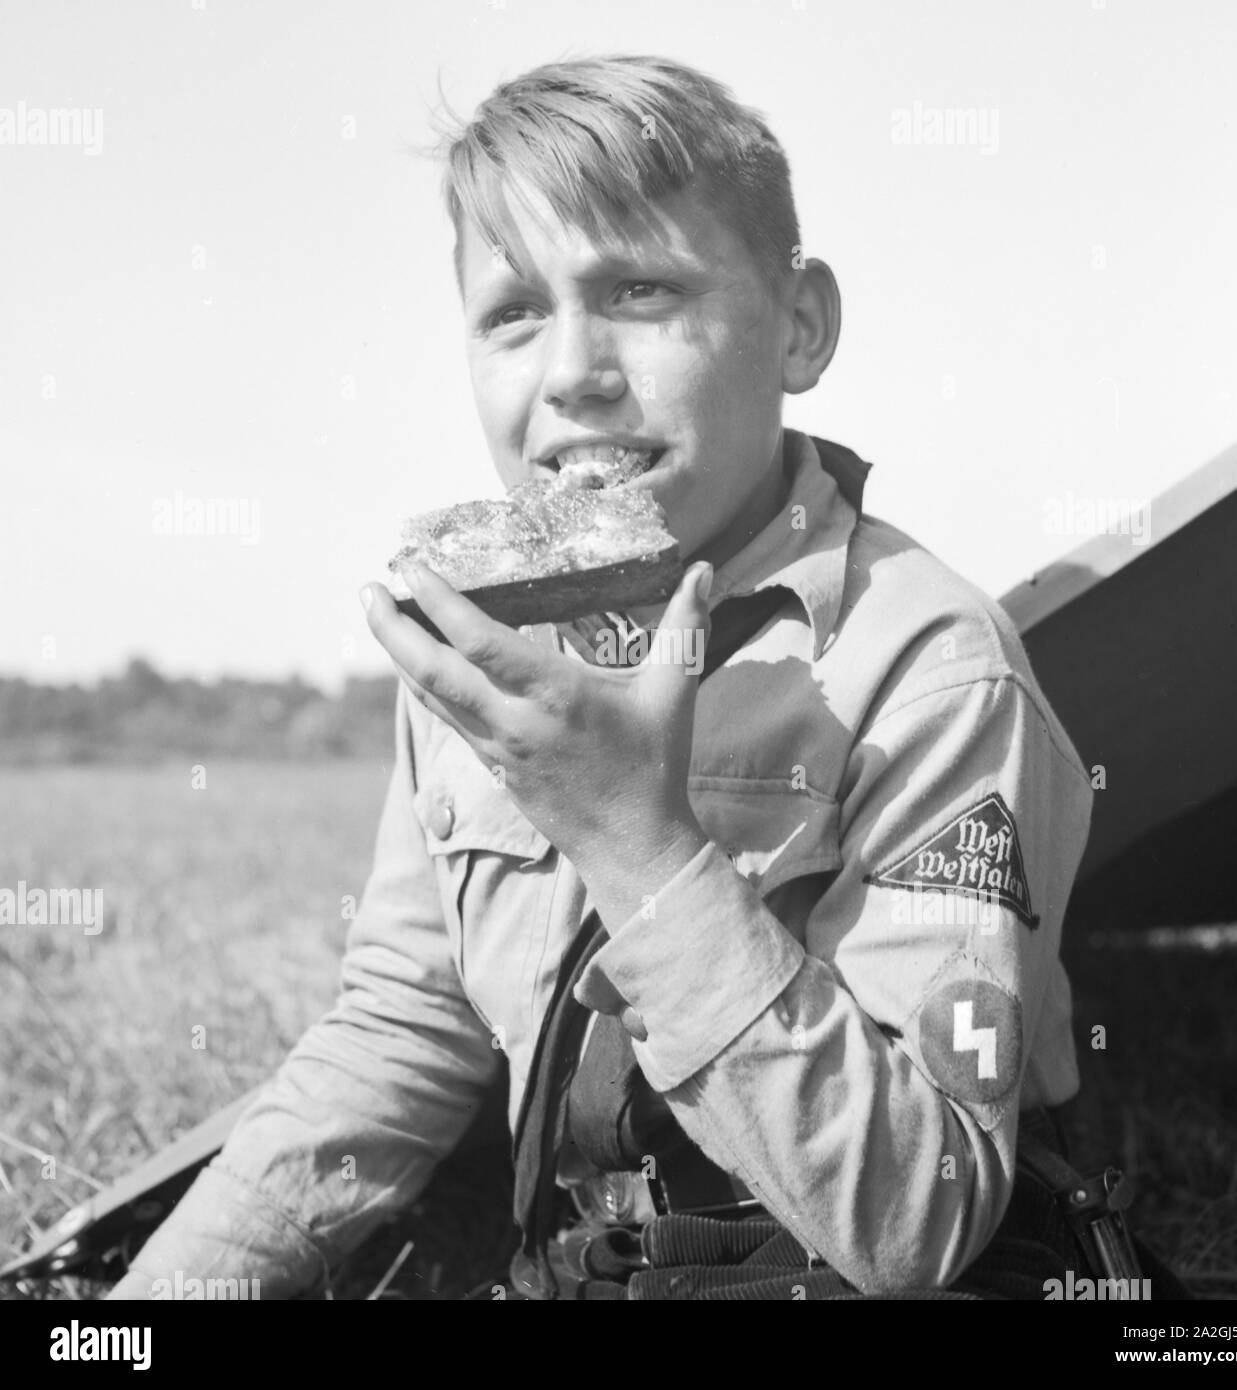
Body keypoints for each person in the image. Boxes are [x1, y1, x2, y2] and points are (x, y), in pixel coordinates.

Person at [108, 53, 1097, 1300]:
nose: (571, 370)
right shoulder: (484, 659)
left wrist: (637, 840)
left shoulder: (932, 673)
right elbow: (403, 1029)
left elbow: (919, 1218)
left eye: (639, 289)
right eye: (514, 311)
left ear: (798, 326)